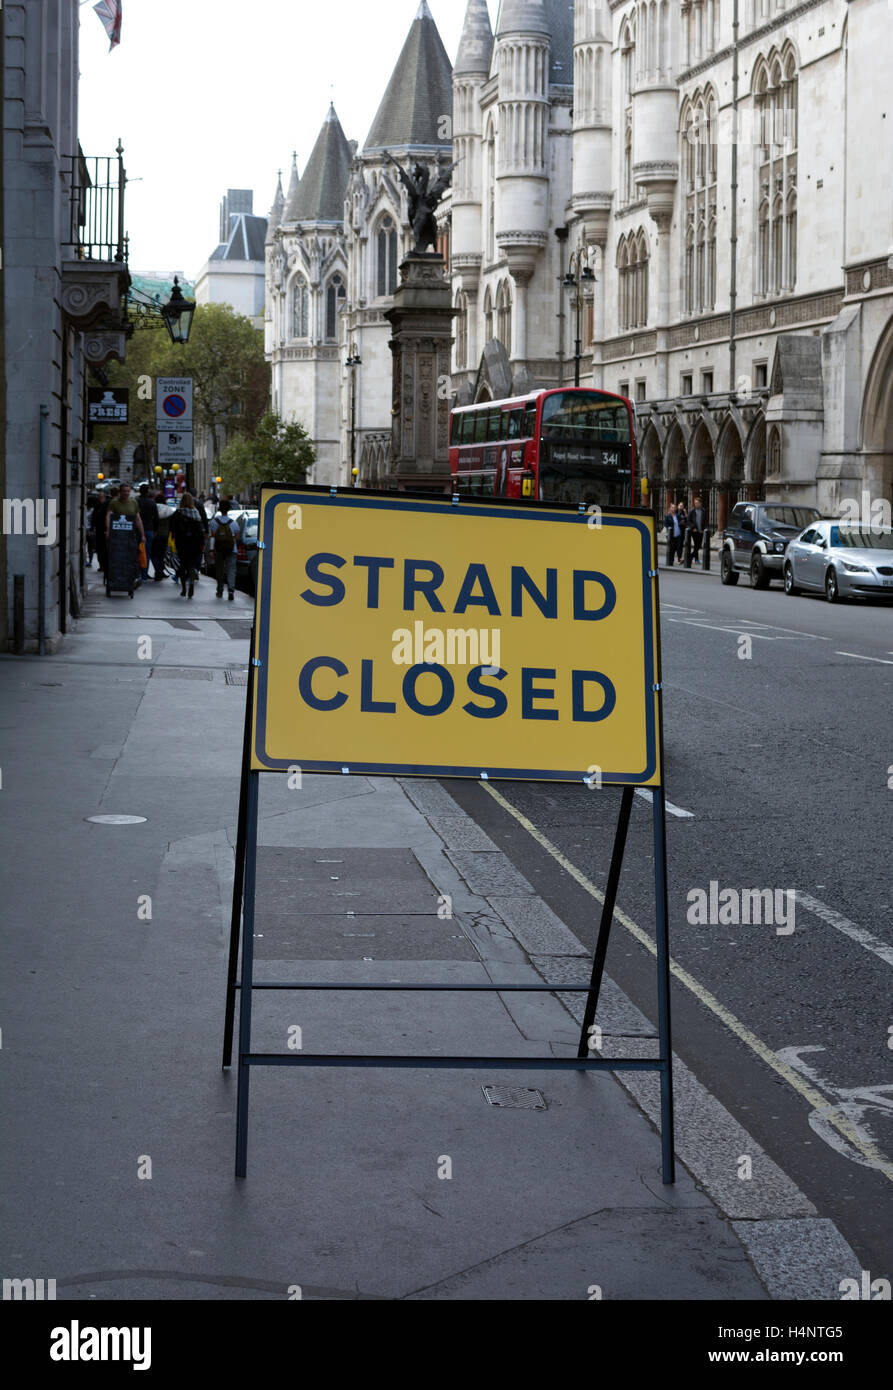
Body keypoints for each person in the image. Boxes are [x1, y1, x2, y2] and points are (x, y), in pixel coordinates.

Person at [105, 483, 145, 590]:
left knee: (132, 559)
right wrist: (108, 530)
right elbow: (109, 516)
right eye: (124, 491)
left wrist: (142, 534)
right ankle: (116, 580)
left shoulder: (134, 503)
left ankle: (133, 578)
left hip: (130, 536)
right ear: (120, 492)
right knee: (116, 559)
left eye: (128, 491)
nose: (126, 493)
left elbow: (138, 519)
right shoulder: (114, 503)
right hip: (117, 538)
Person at [169, 492, 205, 598]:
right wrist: (202, 543)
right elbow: (200, 530)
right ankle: (192, 584)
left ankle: (184, 588)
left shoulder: (178, 513)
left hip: (181, 543)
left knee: (182, 565)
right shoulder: (196, 513)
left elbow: (172, 528)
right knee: (192, 565)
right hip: (194, 543)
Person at [208, 499, 240, 600]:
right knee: (231, 570)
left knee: (219, 570)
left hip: (219, 549)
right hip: (232, 549)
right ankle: (231, 589)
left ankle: (220, 590)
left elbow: (212, 537)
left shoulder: (214, 522)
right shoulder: (234, 523)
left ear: (219, 509)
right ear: (229, 509)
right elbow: (238, 538)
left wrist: (211, 550)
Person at [137, 484, 159, 581]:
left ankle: (137, 573)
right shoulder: (152, 503)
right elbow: (156, 518)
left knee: (137, 552)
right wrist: (155, 530)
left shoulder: (136, 501)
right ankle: (144, 574)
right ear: (147, 492)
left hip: (137, 530)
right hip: (149, 529)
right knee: (147, 553)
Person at [152, 491, 174, 582]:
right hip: (165, 535)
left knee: (153, 554)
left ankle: (158, 571)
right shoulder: (168, 510)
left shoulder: (154, 509)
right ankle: (160, 571)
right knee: (161, 554)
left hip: (155, 534)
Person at [687, 495, 708, 565]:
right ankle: (696, 559)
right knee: (696, 545)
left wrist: (703, 529)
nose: (696, 504)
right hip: (694, 531)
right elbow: (688, 521)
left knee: (698, 546)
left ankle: (689, 557)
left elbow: (705, 521)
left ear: (700, 503)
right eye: (695, 503)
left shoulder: (703, 511)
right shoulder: (692, 511)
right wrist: (693, 528)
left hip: (701, 531)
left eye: (697, 503)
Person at [663, 502, 684, 567]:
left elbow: (683, 520)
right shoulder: (667, 516)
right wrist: (669, 528)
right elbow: (666, 524)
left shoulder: (678, 516)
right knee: (672, 548)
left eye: (674, 507)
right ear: (670, 508)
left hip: (678, 534)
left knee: (679, 547)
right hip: (671, 535)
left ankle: (679, 559)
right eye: (672, 507)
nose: (674, 509)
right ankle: (671, 560)